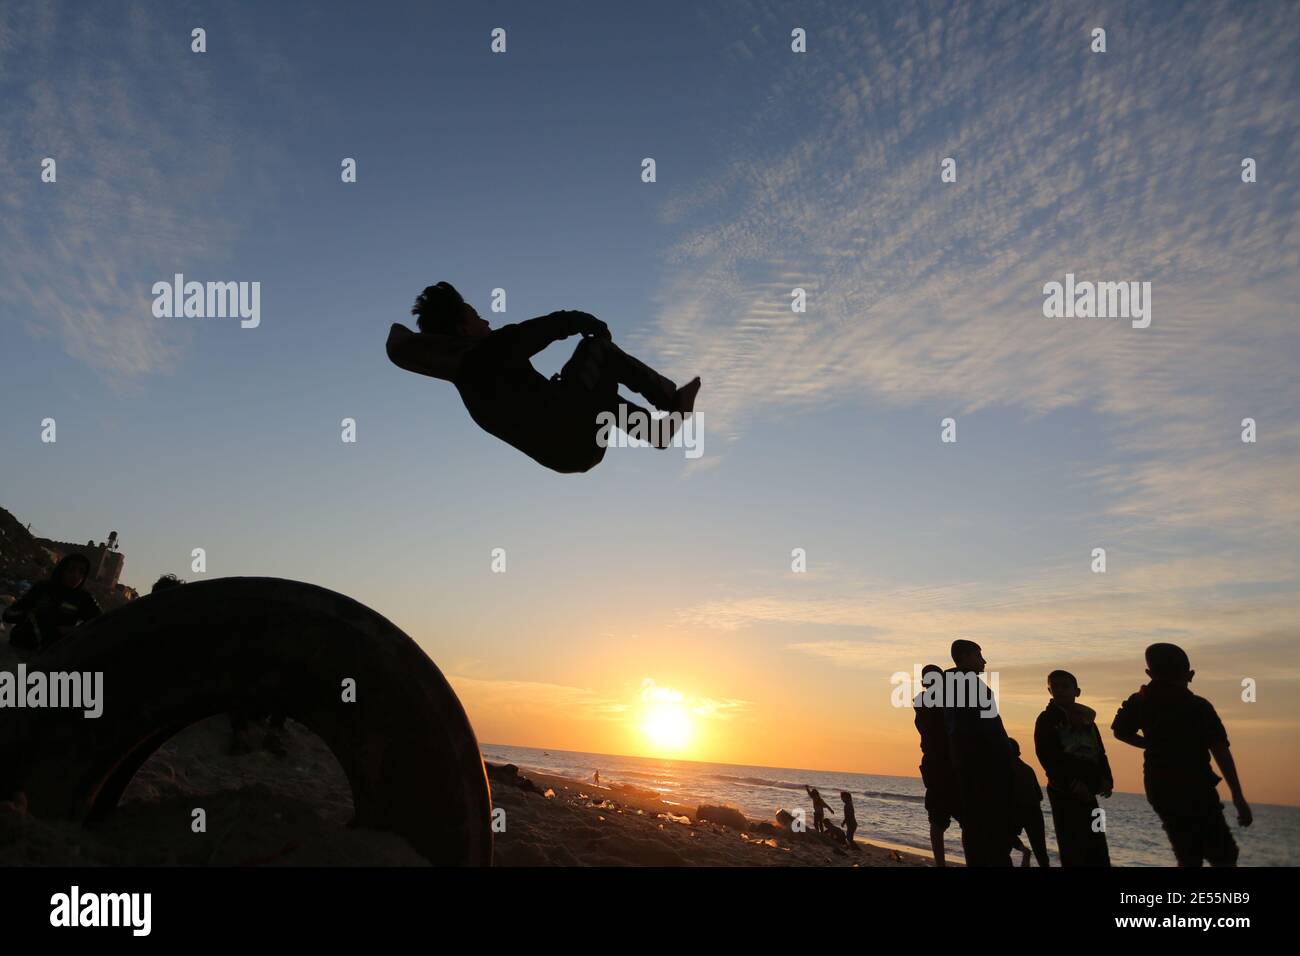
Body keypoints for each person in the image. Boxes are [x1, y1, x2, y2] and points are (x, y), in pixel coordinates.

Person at [387, 282, 701, 474]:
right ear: (463, 329)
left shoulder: (468, 381)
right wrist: (591, 322)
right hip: (571, 430)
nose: (485, 319)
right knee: (596, 350)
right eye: (475, 315)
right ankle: (668, 399)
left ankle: (657, 432)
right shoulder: (487, 354)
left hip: (568, 452)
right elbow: (548, 327)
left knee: (592, 393)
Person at [1112, 643, 1252, 867]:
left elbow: (1120, 731)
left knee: (1188, 854)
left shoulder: (1141, 700)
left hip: (1160, 787)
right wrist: (1238, 796)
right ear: (1190, 675)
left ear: (1149, 674)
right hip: (1196, 786)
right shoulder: (1199, 707)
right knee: (1223, 855)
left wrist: (1151, 744)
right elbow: (1220, 751)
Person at [944, 640, 1016, 866]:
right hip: (983, 767)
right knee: (991, 832)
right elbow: (992, 729)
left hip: (964, 764)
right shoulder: (972, 686)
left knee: (973, 828)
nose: (983, 661)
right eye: (979, 655)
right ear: (965, 657)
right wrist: (1007, 760)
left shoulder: (947, 687)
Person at [1034, 670, 1113, 866]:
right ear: (1049, 690)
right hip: (1064, 793)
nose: (1060, 690)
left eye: (1065, 686)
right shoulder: (1046, 719)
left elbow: (1100, 752)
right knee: (1072, 845)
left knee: (1097, 843)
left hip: (1091, 792)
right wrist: (1070, 783)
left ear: (1077, 691)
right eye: (1055, 687)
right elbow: (1047, 757)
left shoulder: (1088, 721)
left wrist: (1106, 779)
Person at [2, 553, 102, 651]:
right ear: (62, 570)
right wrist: (33, 616)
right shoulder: (43, 588)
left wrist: (73, 630)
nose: (76, 576)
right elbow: (8, 614)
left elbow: (100, 624)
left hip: (53, 654)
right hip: (21, 647)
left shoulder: (84, 598)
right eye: (71, 570)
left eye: (82, 572)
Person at [912, 663, 960, 866]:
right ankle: (940, 862)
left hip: (941, 763)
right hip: (942, 763)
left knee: (940, 819)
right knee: (940, 819)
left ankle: (941, 862)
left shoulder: (927, 701)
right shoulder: (933, 701)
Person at [1007, 738, 1050, 867]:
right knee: (1041, 851)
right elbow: (1040, 795)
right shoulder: (1028, 769)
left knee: (1005, 838)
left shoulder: (1006, 769)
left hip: (1018, 809)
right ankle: (1026, 853)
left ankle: (1024, 850)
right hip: (1034, 810)